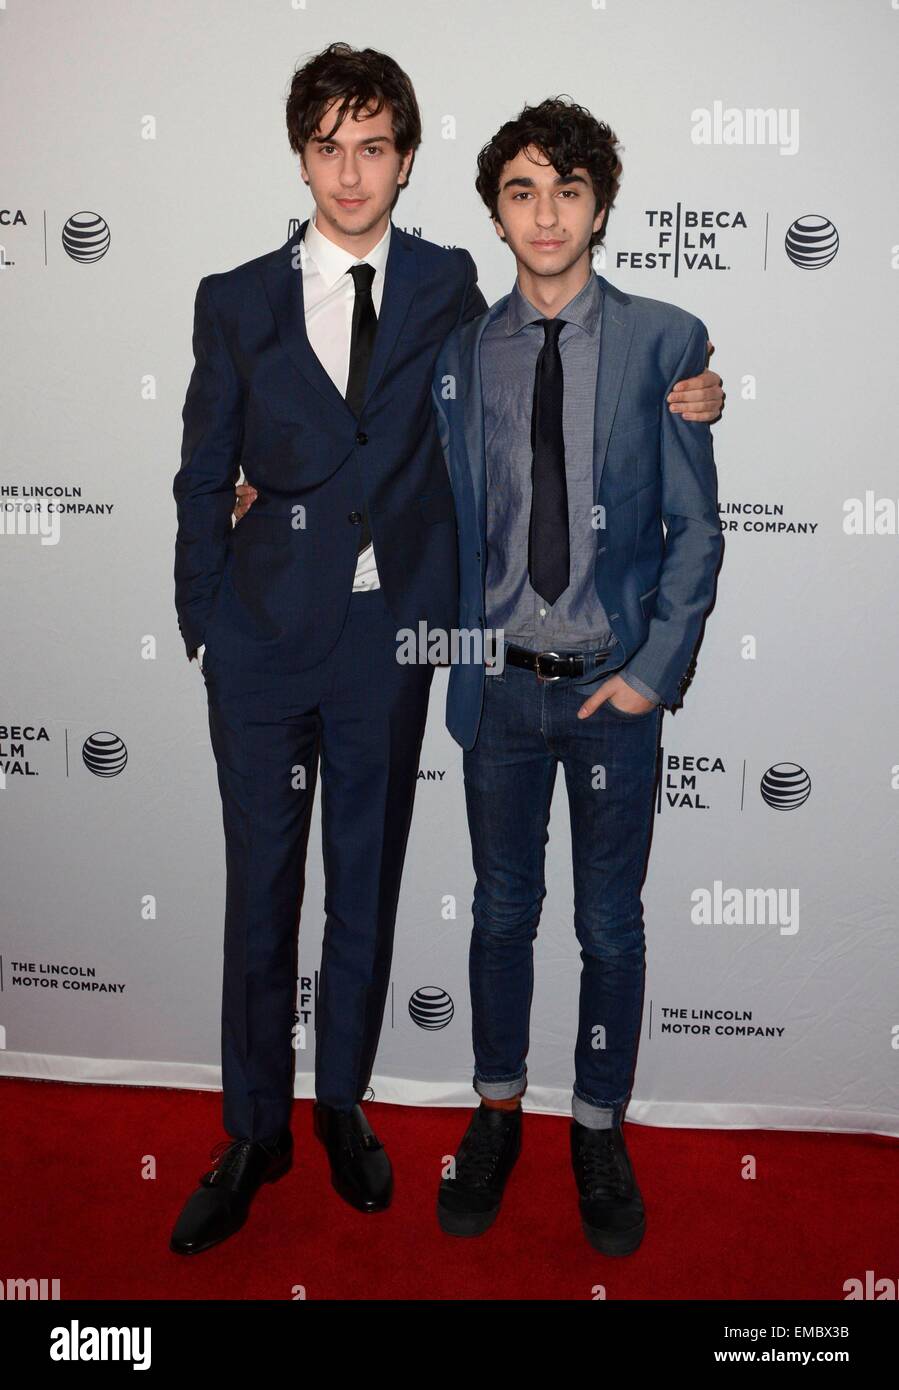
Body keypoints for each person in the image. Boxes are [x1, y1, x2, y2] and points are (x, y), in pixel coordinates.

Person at [173, 42, 724, 1257]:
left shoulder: (446, 289)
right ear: (301, 158)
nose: (350, 172)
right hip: (264, 646)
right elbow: (203, 468)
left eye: (373, 147)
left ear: (406, 160)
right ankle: (252, 1131)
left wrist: (694, 392)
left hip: (393, 643)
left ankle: (342, 1109)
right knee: (260, 895)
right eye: (329, 147)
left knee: (367, 891)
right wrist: (206, 616)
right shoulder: (236, 297)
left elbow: (570, 400)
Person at [431, 98, 725, 1256]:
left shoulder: (664, 342)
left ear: (599, 207)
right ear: (496, 212)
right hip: (498, 687)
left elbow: (695, 530)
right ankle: (496, 1111)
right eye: (521, 191)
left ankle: (596, 1127)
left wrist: (654, 672)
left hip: (613, 693)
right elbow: (402, 488)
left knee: (609, 925)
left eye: (566, 190)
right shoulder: (460, 355)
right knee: (501, 915)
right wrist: (266, 495)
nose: (544, 214)